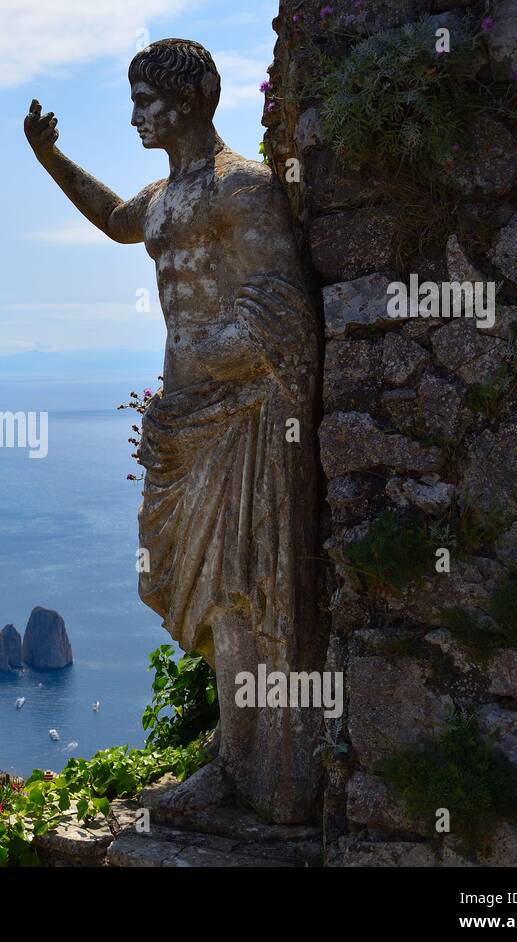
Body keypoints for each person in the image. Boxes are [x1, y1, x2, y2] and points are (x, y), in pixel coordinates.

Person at [25, 39, 323, 823]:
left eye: (146, 100)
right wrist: (49, 157)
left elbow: (281, 317)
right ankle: (239, 760)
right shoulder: (164, 196)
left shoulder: (245, 189)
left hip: (243, 419)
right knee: (215, 593)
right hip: (185, 424)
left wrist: (197, 377)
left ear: (189, 100)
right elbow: (116, 219)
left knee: (245, 589)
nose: (134, 116)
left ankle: (265, 776)